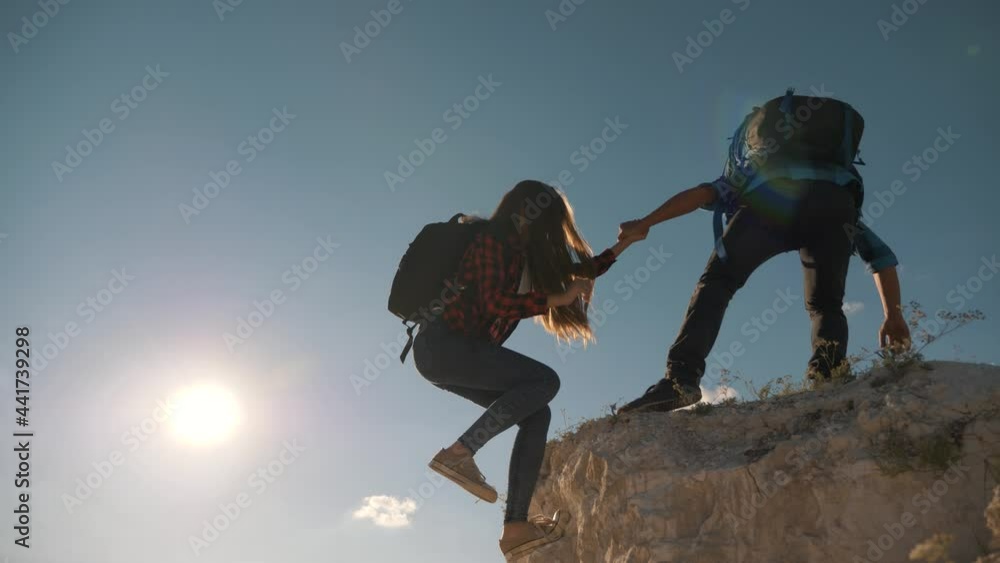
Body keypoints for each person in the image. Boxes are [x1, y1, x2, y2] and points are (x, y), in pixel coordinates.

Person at [412, 180, 644, 560]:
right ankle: (458, 453)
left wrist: (626, 243)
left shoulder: (521, 259)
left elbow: (580, 270)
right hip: (442, 346)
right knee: (545, 380)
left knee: (537, 412)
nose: (552, 233)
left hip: (453, 354)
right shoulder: (491, 241)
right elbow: (495, 303)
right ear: (527, 212)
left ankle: (515, 528)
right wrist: (559, 297)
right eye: (550, 222)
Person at [617, 171, 910, 414]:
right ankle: (829, 379)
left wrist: (646, 222)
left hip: (766, 202)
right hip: (833, 208)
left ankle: (681, 381)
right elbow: (881, 257)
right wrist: (893, 315)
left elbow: (700, 195)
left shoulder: (755, 168)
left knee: (717, 282)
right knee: (825, 305)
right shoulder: (832, 178)